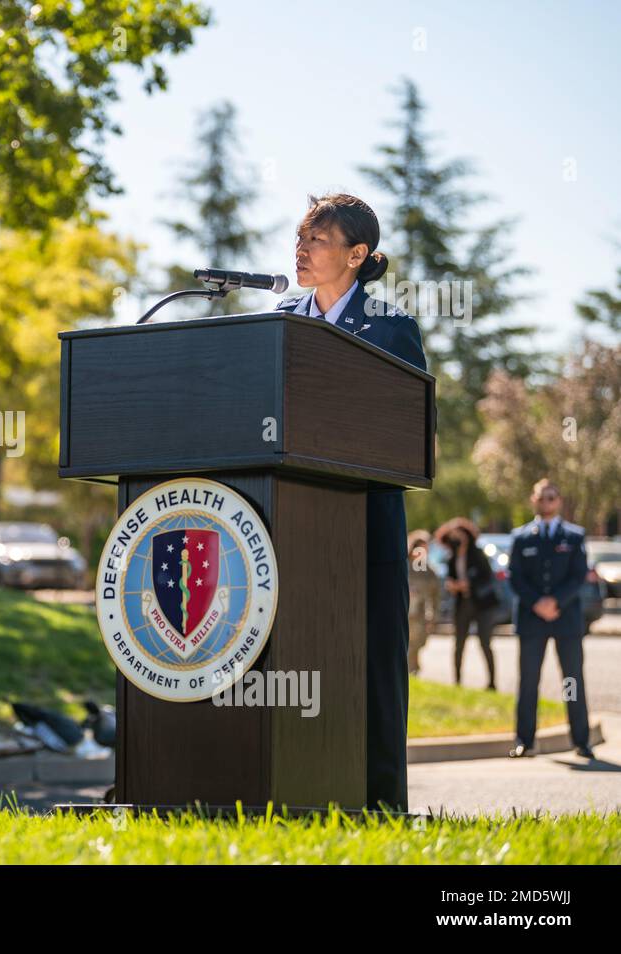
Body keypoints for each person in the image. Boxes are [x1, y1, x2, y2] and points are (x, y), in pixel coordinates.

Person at [274, 193, 426, 812]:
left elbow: (411, 431)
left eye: (317, 241)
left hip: (366, 531)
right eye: (301, 238)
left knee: (374, 677)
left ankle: (384, 807)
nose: (301, 250)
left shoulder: (392, 329)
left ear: (357, 255)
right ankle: (297, 795)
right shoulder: (278, 318)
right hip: (288, 528)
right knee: (295, 668)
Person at [508, 479, 592, 759]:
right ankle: (525, 740)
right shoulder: (521, 537)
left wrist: (555, 602)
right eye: (542, 498)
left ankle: (581, 740)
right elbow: (515, 577)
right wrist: (537, 603)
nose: (547, 502)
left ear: (559, 501)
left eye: (552, 497)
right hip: (532, 619)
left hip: (565, 618)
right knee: (529, 681)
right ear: (534, 500)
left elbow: (578, 576)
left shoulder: (574, 536)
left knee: (572, 680)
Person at [436, 518, 499, 689]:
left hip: (482, 604)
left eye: (461, 535)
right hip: (462, 603)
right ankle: (457, 682)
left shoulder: (478, 554)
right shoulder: (452, 558)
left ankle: (492, 683)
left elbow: (487, 577)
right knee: (459, 643)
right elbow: (449, 579)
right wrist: (453, 585)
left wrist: (469, 583)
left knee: (485, 642)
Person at [406, 530, 441, 677]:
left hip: (420, 614)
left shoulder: (428, 571)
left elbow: (435, 596)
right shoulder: (403, 566)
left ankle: (413, 667)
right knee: (409, 643)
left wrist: (433, 617)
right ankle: (410, 669)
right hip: (405, 613)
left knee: (419, 642)